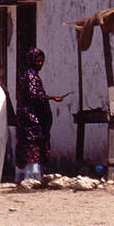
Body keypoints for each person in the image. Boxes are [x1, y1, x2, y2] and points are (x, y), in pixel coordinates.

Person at [15, 47, 66, 188]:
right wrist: (51, 97)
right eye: (37, 60)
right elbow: (34, 96)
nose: (40, 63)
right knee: (33, 144)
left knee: (26, 143)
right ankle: (32, 177)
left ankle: (22, 177)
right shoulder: (31, 76)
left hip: (26, 116)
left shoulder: (28, 75)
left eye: (41, 60)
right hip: (30, 117)